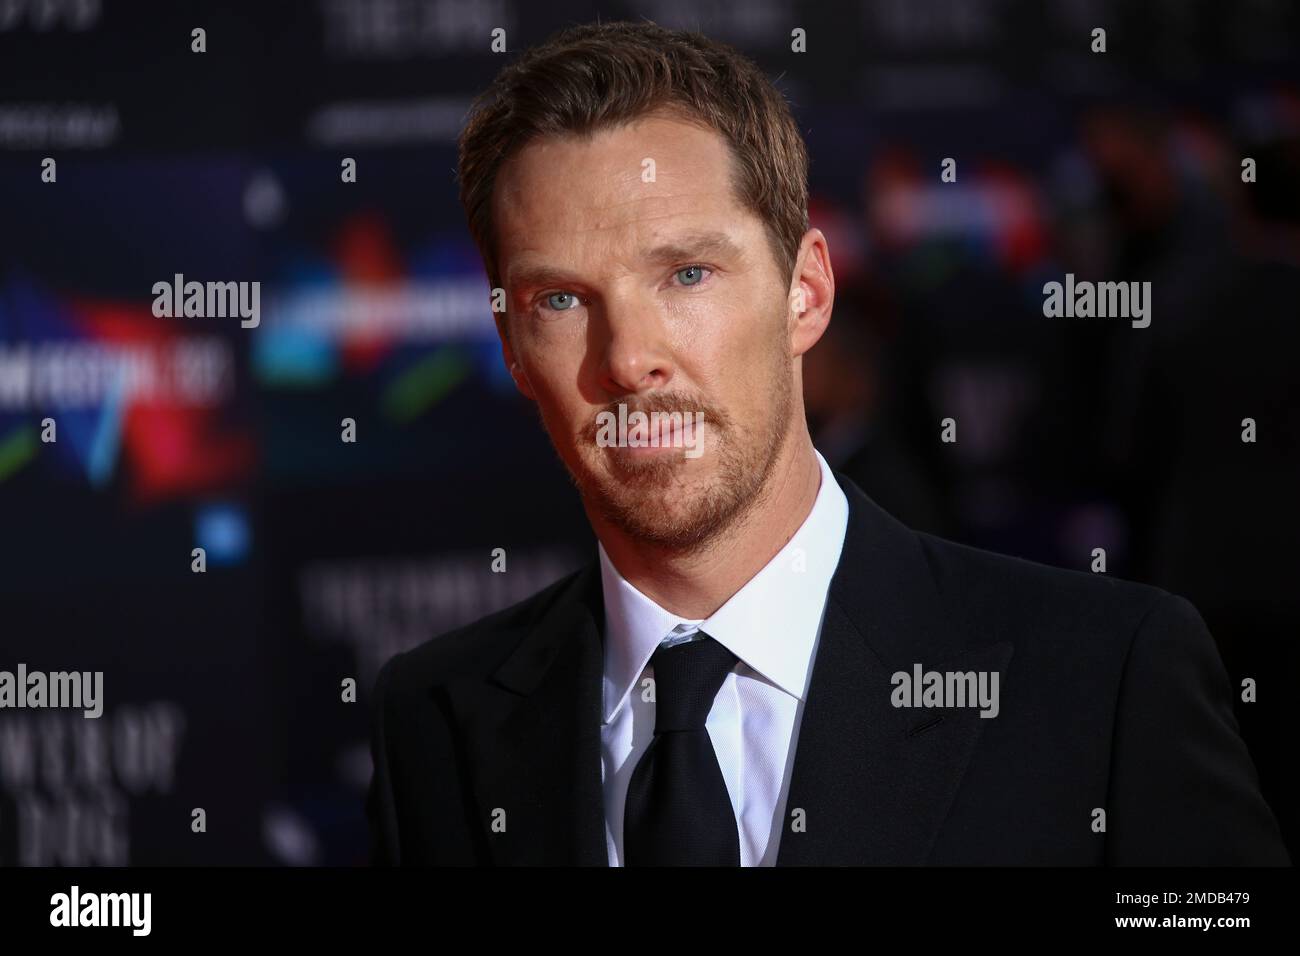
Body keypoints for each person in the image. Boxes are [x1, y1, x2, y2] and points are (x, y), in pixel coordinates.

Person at [365, 21, 1289, 866]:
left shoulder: (1101, 680)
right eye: (559, 300)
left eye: (687, 273)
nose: (631, 358)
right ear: (512, 348)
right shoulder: (436, 724)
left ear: (805, 292)